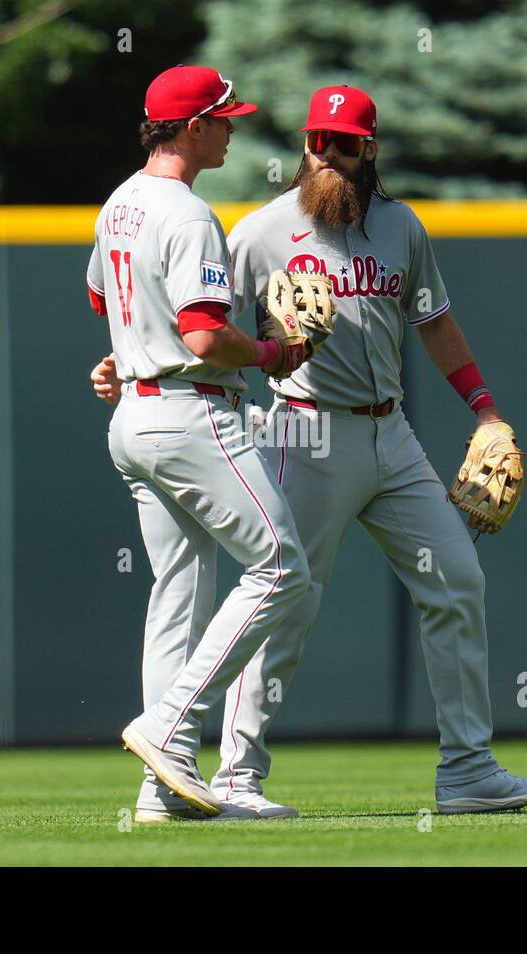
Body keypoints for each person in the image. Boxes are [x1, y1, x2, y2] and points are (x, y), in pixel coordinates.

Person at [93, 85, 527, 815]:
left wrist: (486, 409)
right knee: (287, 600)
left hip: (392, 435)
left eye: (343, 143)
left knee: (458, 580)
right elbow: (188, 317)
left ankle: (467, 769)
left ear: (368, 150)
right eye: (317, 140)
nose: (327, 154)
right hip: (305, 432)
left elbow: (436, 324)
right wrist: (128, 361)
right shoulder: (259, 230)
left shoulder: (402, 228)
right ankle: (238, 774)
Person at [86, 65, 312, 823]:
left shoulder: (119, 202)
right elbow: (206, 334)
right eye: (223, 117)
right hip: (190, 412)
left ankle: (162, 792)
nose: (233, 127)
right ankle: (169, 727)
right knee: (283, 566)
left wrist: (126, 348)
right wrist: (275, 355)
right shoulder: (188, 214)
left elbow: (103, 296)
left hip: (135, 420)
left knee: (177, 598)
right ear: (191, 128)